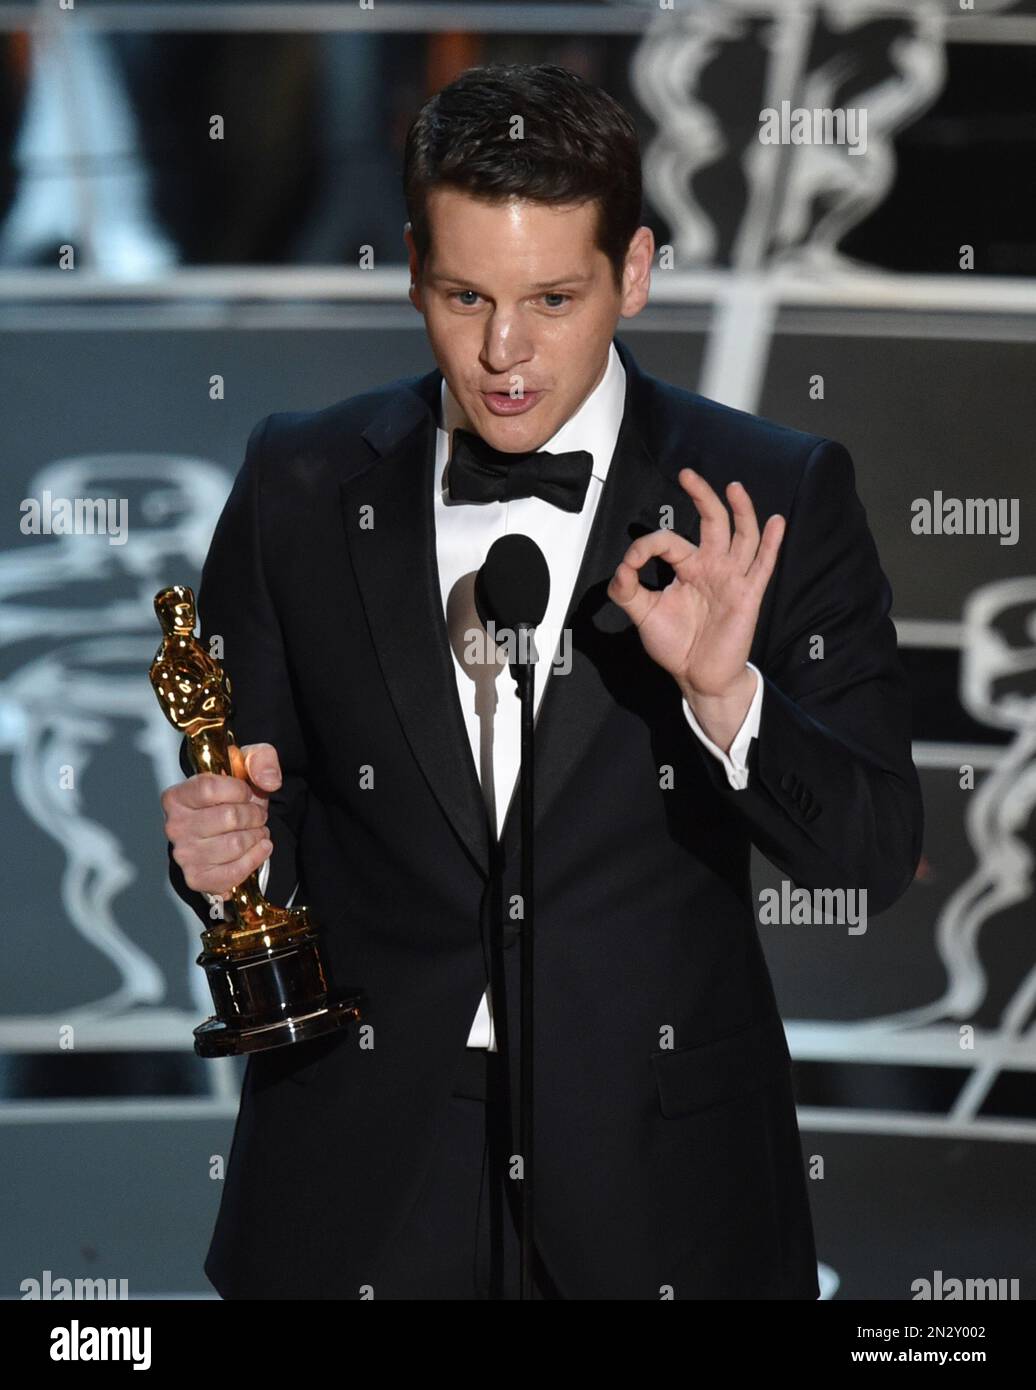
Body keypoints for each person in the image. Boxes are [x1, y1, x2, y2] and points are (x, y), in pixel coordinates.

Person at [161, 63, 923, 1300]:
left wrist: (729, 702)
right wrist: (223, 856)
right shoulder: (300, 482)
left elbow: (874, 850)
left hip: (662, 1177)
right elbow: (262, 815)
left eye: (552, 298)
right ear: (413, 267)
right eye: (464, 295)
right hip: (362, 1171)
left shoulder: (769, 493)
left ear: (634, 271)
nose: (504, 354)